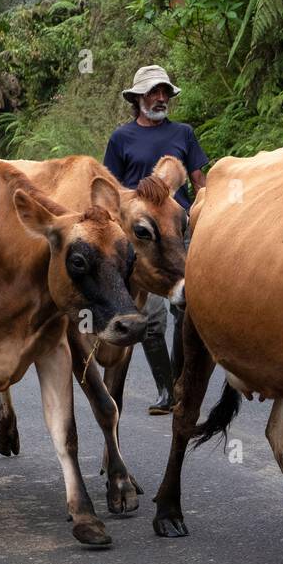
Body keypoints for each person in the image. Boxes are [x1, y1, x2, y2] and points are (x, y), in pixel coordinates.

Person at [103, 65, 209, 414]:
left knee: (185, 311)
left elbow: (200, 183)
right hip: (140, 241)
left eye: (164, 91)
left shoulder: (184, 133)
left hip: (178, 234)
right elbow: (112, 192)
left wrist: (207, 215)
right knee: (149, 319)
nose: (161, 98)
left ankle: (181, 385)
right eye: (152, 92)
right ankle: (166, 389)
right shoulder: (121, 138)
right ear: (137, 99)